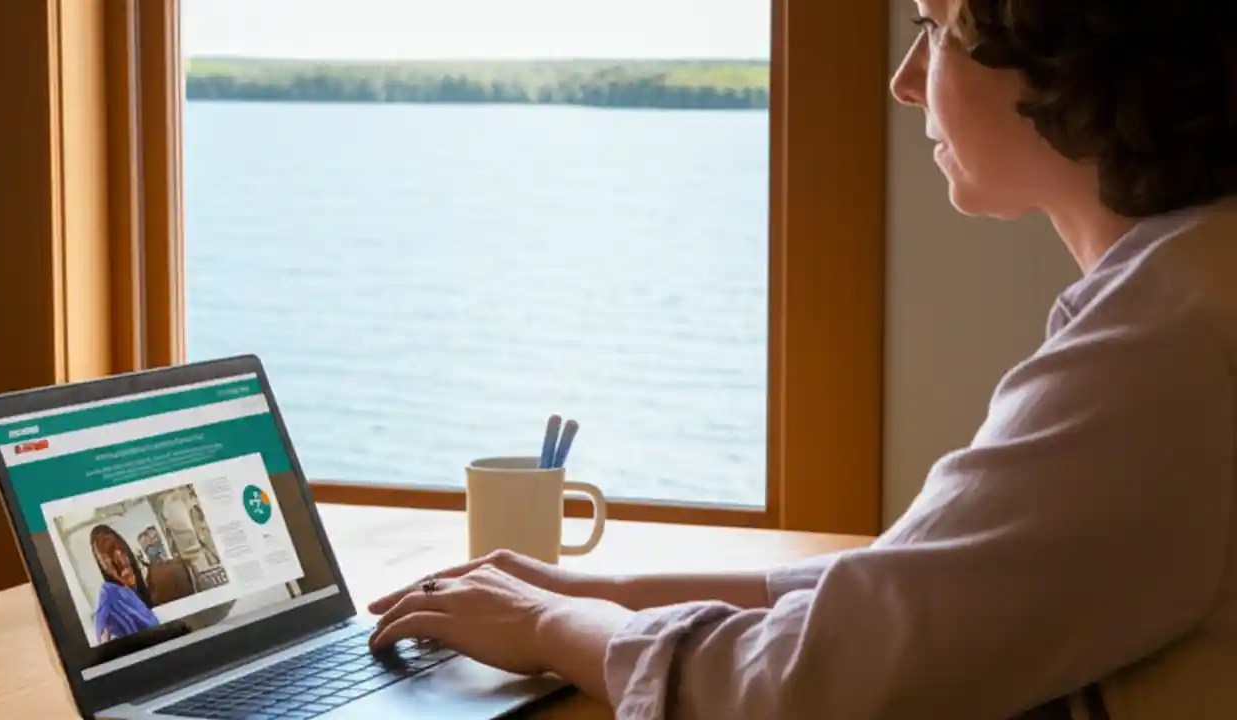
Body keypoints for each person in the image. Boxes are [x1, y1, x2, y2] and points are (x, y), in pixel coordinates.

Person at [367, 1, 1237, 717]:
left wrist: (555, 627)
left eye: (933, 28)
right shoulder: (1189, 283)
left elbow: (811, 688)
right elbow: (921, 588)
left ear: (1069, 58)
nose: (904, 84)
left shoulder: (1165, 342)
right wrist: (610, 590)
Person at [91, 524, 160, 643]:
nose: (117, 558)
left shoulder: (153, 580)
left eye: (115, 548)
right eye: (107, 554)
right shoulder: (109, 600)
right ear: (102, 566)